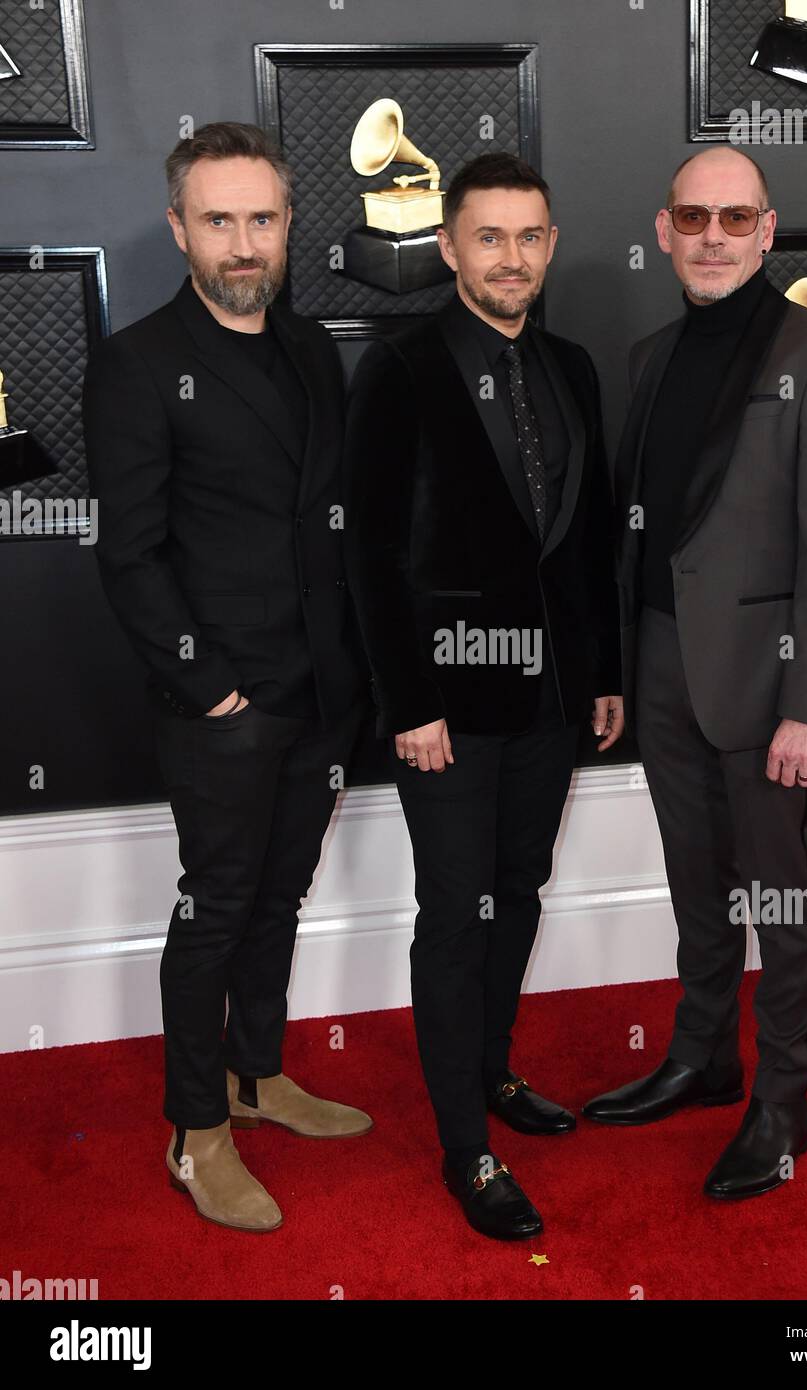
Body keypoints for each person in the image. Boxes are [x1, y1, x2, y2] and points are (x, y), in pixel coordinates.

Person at [82, 121, 372, 1234]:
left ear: (288, 225)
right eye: (219, 220)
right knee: (214, 912)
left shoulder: (307, 347)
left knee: (278, 896)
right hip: (223, 706)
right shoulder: (140, 361)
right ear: (178, 228)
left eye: (261, 217)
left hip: (316, 693)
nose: (242, 242)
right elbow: (130, 553)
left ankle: (258, 1075)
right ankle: (196, 1130)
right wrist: (212, 688)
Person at [584, 148, 807, 1200]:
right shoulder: (651, 355)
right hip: (663, 662)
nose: (713, 235)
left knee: (778, 892)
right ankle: (704, 1056)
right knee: (694, 880)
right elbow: (642, 529)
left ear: (768, 230)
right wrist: (622, 665)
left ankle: (784, 1096)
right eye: (693, 216)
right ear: (664, 228)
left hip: (768, 679)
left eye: (735, 217)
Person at [344, 152, 623, 1240]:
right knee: (454, 916)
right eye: (490, 237)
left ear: (549, 246)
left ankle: (493, 1072)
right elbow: (368, 553)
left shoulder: (573, 365)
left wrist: (599, 676)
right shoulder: (401, 369)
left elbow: (589, 538)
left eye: (531, 237)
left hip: (553, 704)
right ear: (450, 246)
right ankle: (467, 1148)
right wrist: (408, 701)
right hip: (445, 715)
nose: (512, 257)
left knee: (521, 890)